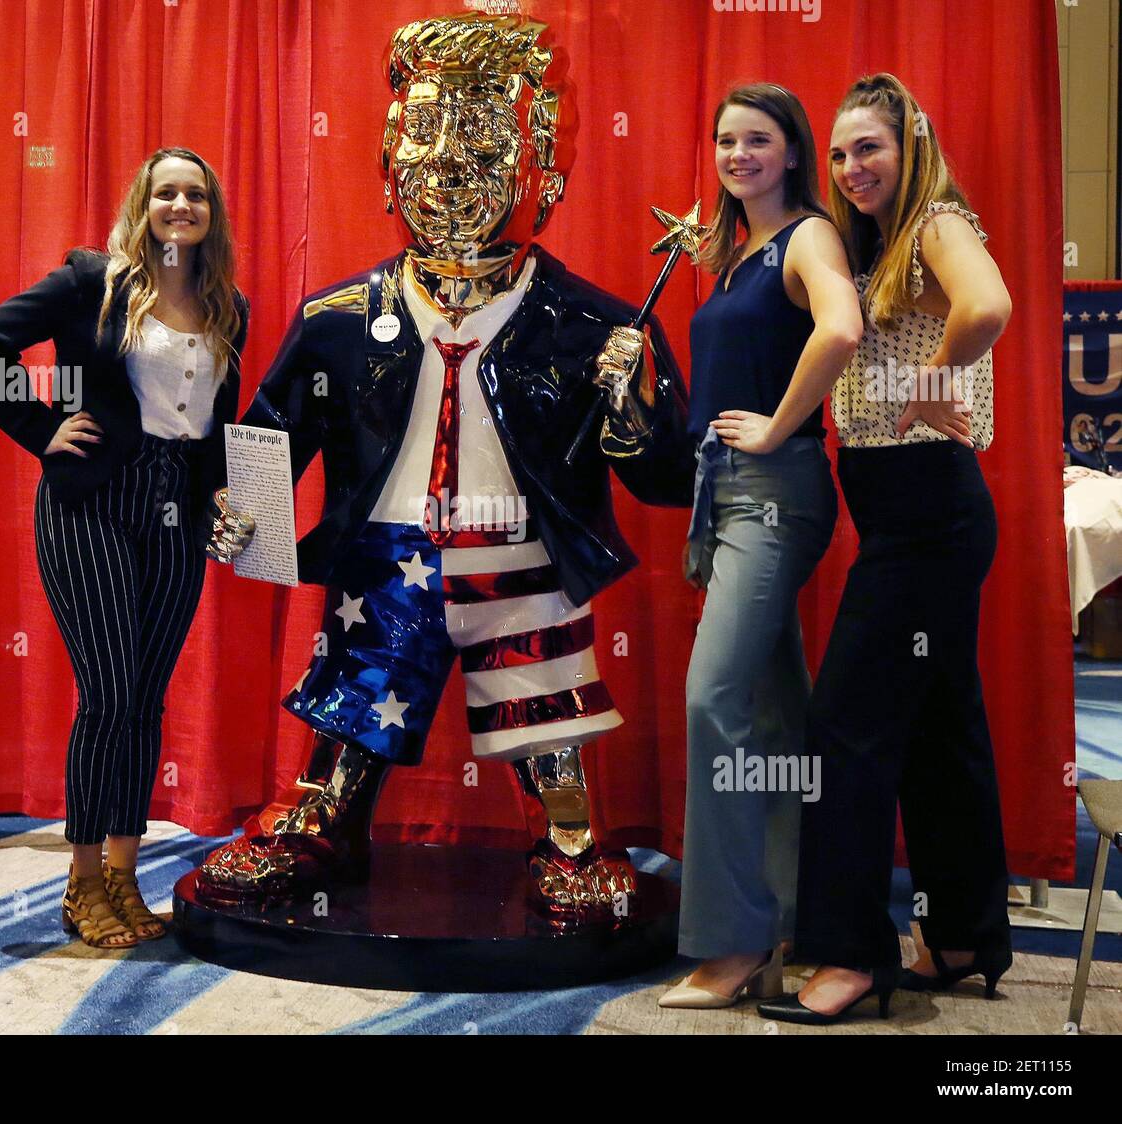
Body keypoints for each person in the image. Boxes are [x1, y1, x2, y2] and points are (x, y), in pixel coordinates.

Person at [197, 11, 693, 919]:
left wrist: (634, 405)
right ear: (388, 157)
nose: (445, 165)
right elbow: (270, 436)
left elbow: (669, 478)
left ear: (539, 159)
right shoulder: (339, 317)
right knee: (356, 696)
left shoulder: (596, 326)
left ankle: (568, 834)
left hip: (522, 556)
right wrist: (241, 509)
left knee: (547, 704)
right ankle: (325, 818)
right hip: (387, 556)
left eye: (479, 137)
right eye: (424, 133)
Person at [758, 74, 1012, 1026]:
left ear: (910, 148)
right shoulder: (875, 243)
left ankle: (849, 956)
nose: (851, 167)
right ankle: (959, 936)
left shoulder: (937, 217)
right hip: (912, 515)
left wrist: (935, 378)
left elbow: (987, 305)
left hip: (928, 516)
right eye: (838, 153)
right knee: (940, 729)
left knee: (845, 728)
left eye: (870, 148)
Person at [0, 147, 249, 949]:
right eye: (167, 193)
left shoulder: (230, 305)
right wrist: (41, 427)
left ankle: (125, 878)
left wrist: (227, 493)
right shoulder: (92, 281)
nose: (180, 206)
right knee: (110, 693)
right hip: (92, 504)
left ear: (210, 213)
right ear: (145, 204)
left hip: (175, 512)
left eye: (195, 194)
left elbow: (219, 427)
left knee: (148, 697)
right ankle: (81, 881)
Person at [660, 83, 862, 1009]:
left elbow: (843, 328)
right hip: (729, 494)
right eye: (725, 140)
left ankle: (734, 944)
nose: (737, 154)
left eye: (758, 140)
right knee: (772, 718)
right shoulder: (738, 254)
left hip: (773, 496)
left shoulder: (809, 235)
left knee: (716, 699)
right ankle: (783, 913)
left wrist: (781, 426)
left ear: (792, 152)